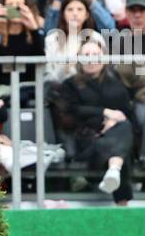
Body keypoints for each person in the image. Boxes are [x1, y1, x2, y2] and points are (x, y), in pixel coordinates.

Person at [58, 38, 138, 203]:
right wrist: (105, 114)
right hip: (89, 142)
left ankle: (114, 170)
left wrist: (113, 125)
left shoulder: (116, 83)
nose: (91, 58)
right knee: (120, 142)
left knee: (123, 128)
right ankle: (122, 203)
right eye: (86, 54)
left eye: (95, 54)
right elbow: (72, 111)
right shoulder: (70, 85)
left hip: (119, 139)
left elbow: (128, 115)